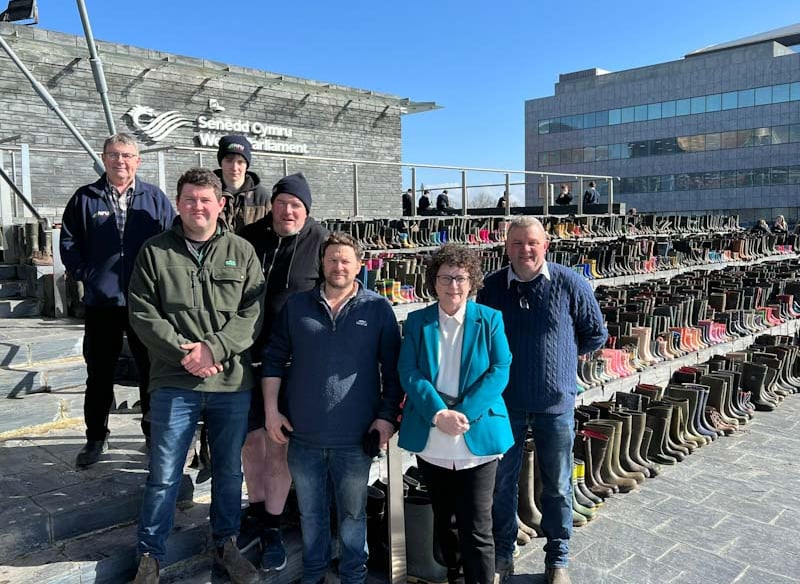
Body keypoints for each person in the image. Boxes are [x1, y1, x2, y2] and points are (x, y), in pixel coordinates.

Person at [129, 168, 265, 584]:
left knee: (228, 471)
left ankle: (225, 543)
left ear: (221, 205)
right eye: (190, 199)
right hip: (175, 380)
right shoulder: (154, 252)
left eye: (206, 199)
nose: (198, 207)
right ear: (178, 203)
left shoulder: (241, 251)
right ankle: (150, 556)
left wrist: (215, 349)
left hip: (229, 382)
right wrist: (186, 354)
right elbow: (141, 312)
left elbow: (253, 313)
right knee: (165, 472)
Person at [262, 231, 403, 584]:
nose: (338, 266)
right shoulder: (297, 307)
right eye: (331, 259)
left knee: (354, 515)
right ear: (321, 263)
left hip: (356, 438)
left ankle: (354, 576)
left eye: (345, 260)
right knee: (311, 514)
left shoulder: (377, 309)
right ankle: (314, 574)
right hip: (304, 435)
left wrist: (386, 418)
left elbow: (394, 369)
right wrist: (271, 412)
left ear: (359, 265)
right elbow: (274, 360)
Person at [476, 216, 607, 584]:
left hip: (555, 404)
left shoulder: (570, 283)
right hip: (505, 403)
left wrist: (564, 361)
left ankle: (558, 557)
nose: (525, 250)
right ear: (506, 247)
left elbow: (595, 333)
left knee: (558, 483)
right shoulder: (491, 288)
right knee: (503, 482)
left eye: (532, 242)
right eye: (517, 243)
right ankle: (503, 554)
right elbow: (482, 339)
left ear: (545, 245)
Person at [398, 244, 513, 584]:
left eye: (461, 278)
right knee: (444, 523)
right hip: (433, 437)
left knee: (477, 527)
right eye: (446, 277)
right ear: (434, 282)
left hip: (475, 435)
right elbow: (409, 370)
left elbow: (500, 367)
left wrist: (462, 413)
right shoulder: (418, 321)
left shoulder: (489, 319)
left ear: (472, 281)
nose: (453, 286)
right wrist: (438, 413)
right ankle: (454, 577)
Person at [60, 133, 175, 469]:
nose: (120, 161)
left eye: (127, 155)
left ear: (137, 160)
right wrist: (87, 273)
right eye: (113, 154)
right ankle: (96, 437)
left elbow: (171, 240)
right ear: (103, 158)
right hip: (102, 303)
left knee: (151, 372)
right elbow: (68, 242)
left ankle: (153, 436)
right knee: (99, 374)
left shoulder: (154, 198)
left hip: (146, 303)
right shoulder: (85, 198)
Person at [236, 172, 328, 570]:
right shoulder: (248, 237)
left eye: (297, 205)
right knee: (250, 440)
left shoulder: (320, 241)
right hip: (244, 357)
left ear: (306, 210)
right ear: (271, 203)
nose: (288, 210)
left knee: (279, 444)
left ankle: (273, 523)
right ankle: (255, 512)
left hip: (293, 363)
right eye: (282, 202)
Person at [215, 135, 271, 232]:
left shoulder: (261, 196)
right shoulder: (211, 192)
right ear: (221, 163)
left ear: (246, 165)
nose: (234, 167)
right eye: (229, 161)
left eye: (240, 162)